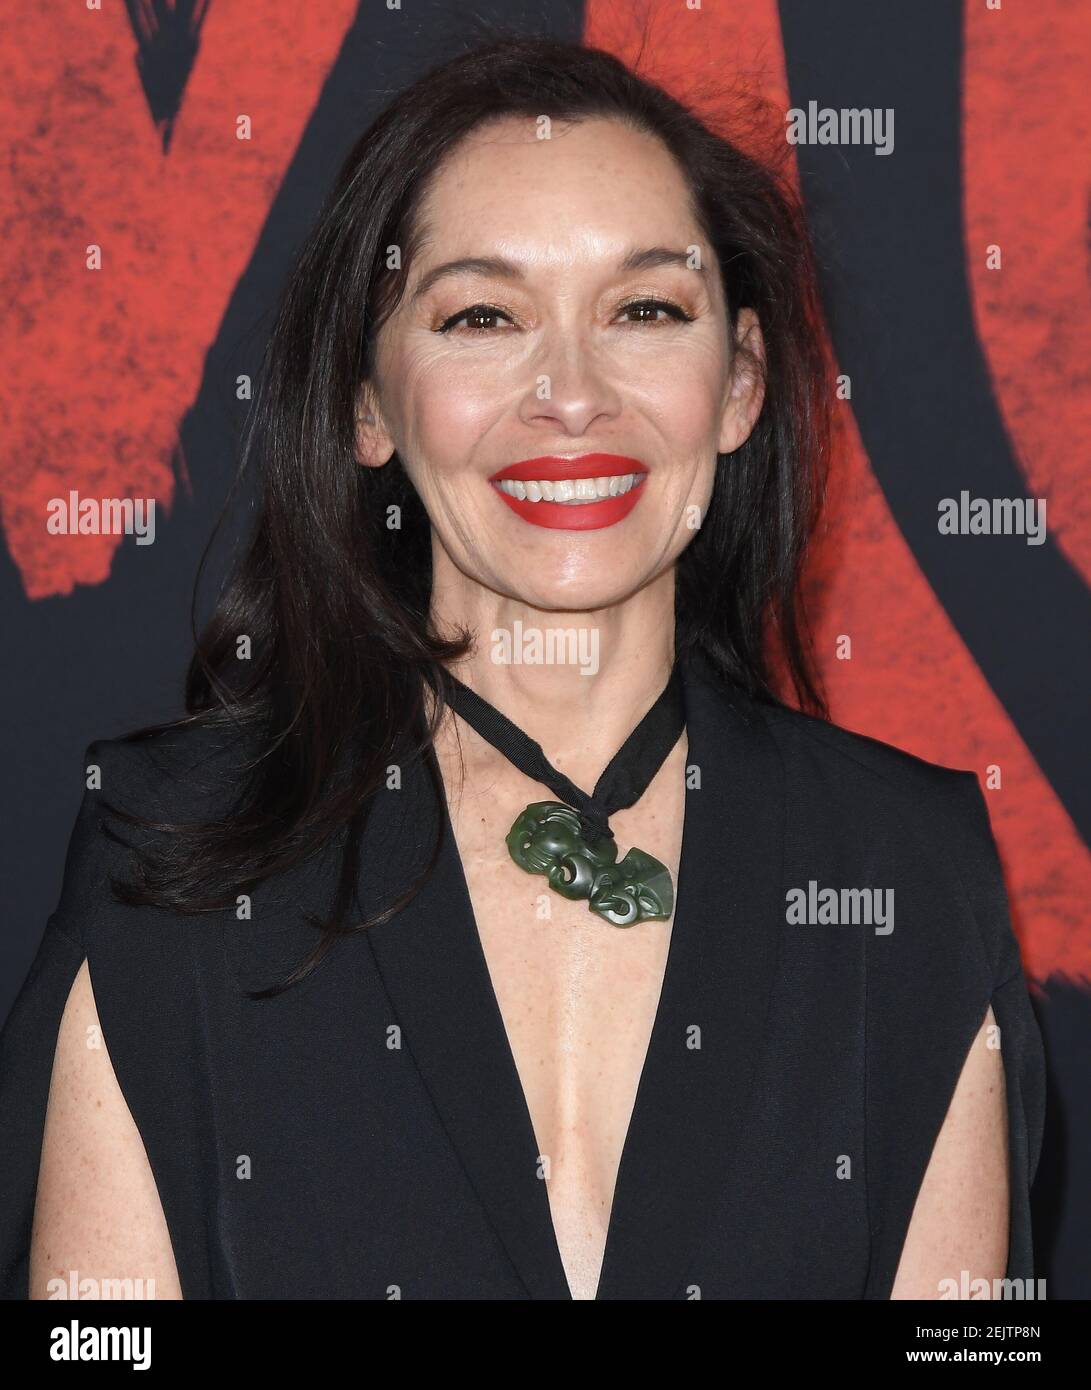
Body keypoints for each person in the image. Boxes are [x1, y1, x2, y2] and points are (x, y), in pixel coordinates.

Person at [0, 35, 1044, 1301]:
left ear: (740, 383)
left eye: (644, 309)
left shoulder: (903, 870)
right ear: (367, 405)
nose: (570, 393)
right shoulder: (169, 859)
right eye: (483, 315)